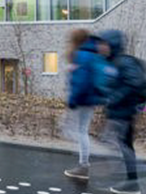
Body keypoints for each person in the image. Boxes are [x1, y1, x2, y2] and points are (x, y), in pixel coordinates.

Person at [97, 30, 146, 194]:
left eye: (103, 43)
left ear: (112, 44)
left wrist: (115, 98)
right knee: (121, 145)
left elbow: (135, 82)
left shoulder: (123, 62)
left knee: (116, 143)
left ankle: (134, 180)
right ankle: (132, 182)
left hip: (124, 112)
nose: (100, 47)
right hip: (119, 111)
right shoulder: (113, 62)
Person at [63, 29, 107, 181]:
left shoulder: (82, 55)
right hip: (90, 99)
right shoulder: (93, 54)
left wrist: (73, 100)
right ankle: (84, 164)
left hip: (81, 99)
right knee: (81, 130)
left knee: (73, 131)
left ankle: (85, 163)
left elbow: (81, 81)